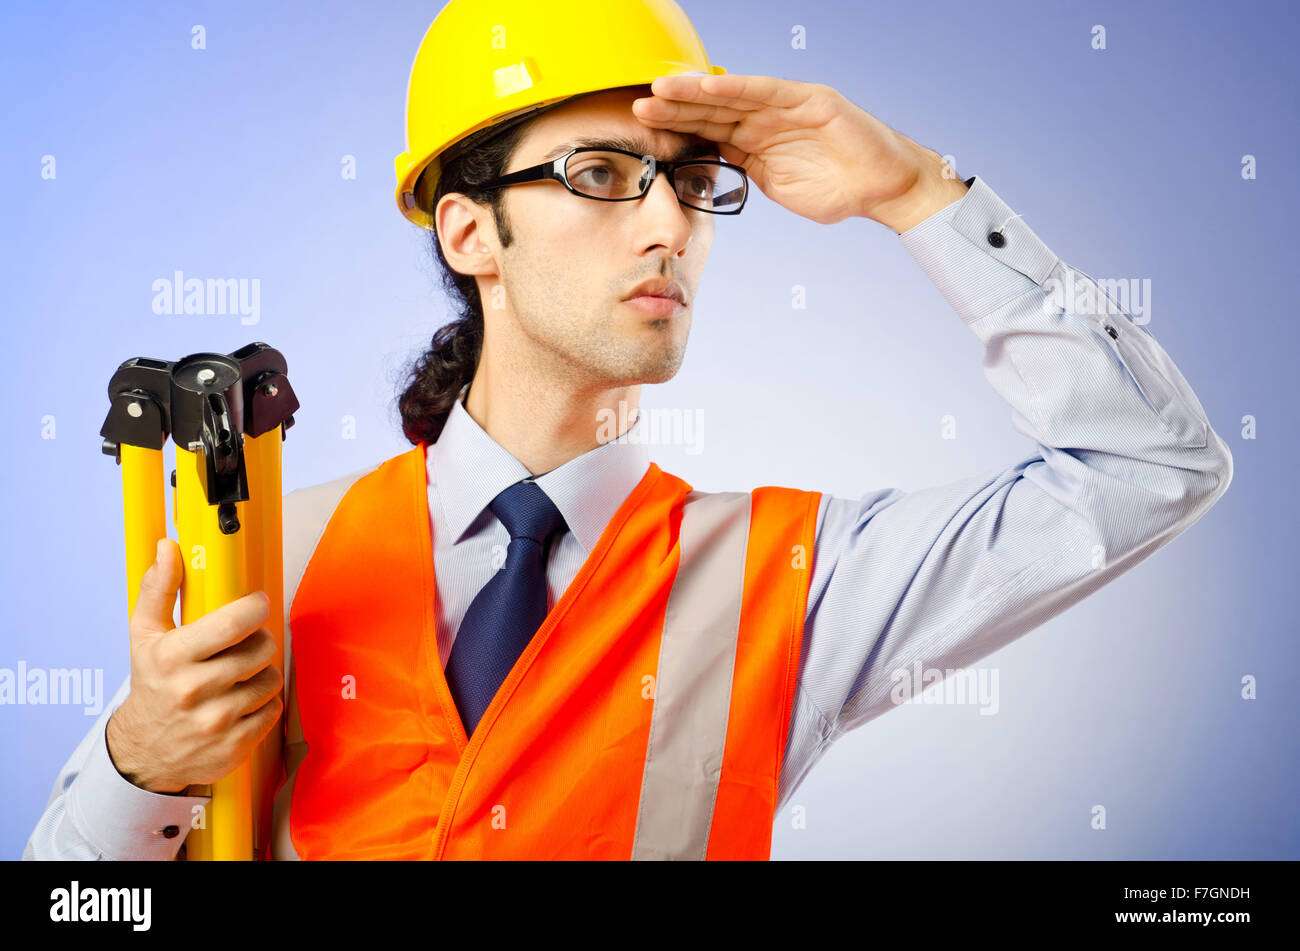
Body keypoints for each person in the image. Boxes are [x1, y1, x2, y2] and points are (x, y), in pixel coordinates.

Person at [25, 0, 1231, 860]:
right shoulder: (269, 549)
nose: (669, 224)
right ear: (468, 234)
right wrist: (140, 765)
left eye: (692, 180)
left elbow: (1150, 466)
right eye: (603, 173)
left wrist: (919, 194)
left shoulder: (800, 587)